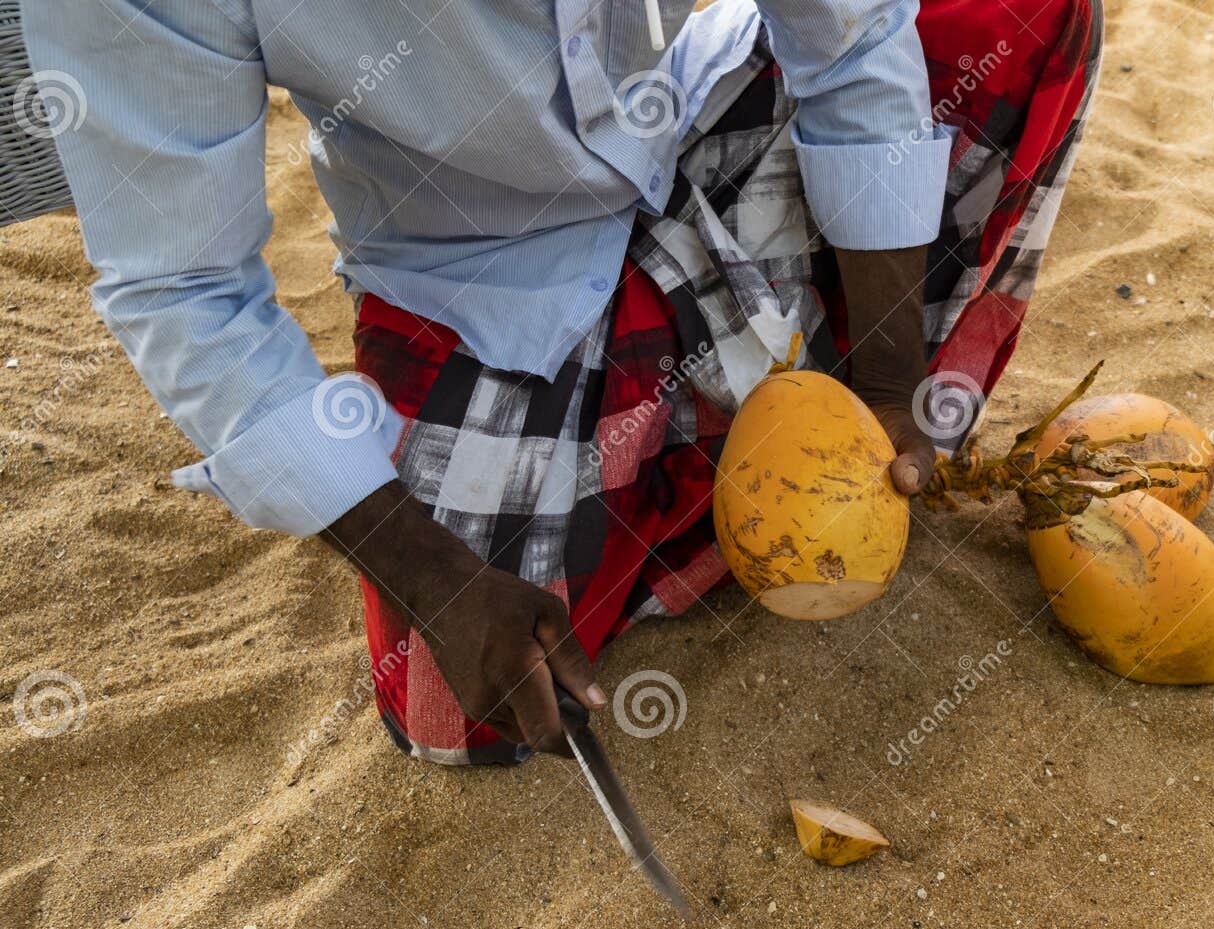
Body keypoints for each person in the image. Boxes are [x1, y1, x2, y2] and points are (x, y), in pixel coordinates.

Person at [26, 0, 1101, 763]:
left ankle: (733, 429)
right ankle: (698, 447)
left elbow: (850, 37)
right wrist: (436, 575)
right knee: (458, 708)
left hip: (692, 131)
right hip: (482, 271)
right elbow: (184, 285)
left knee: (1020, 13)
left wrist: (886, 380)